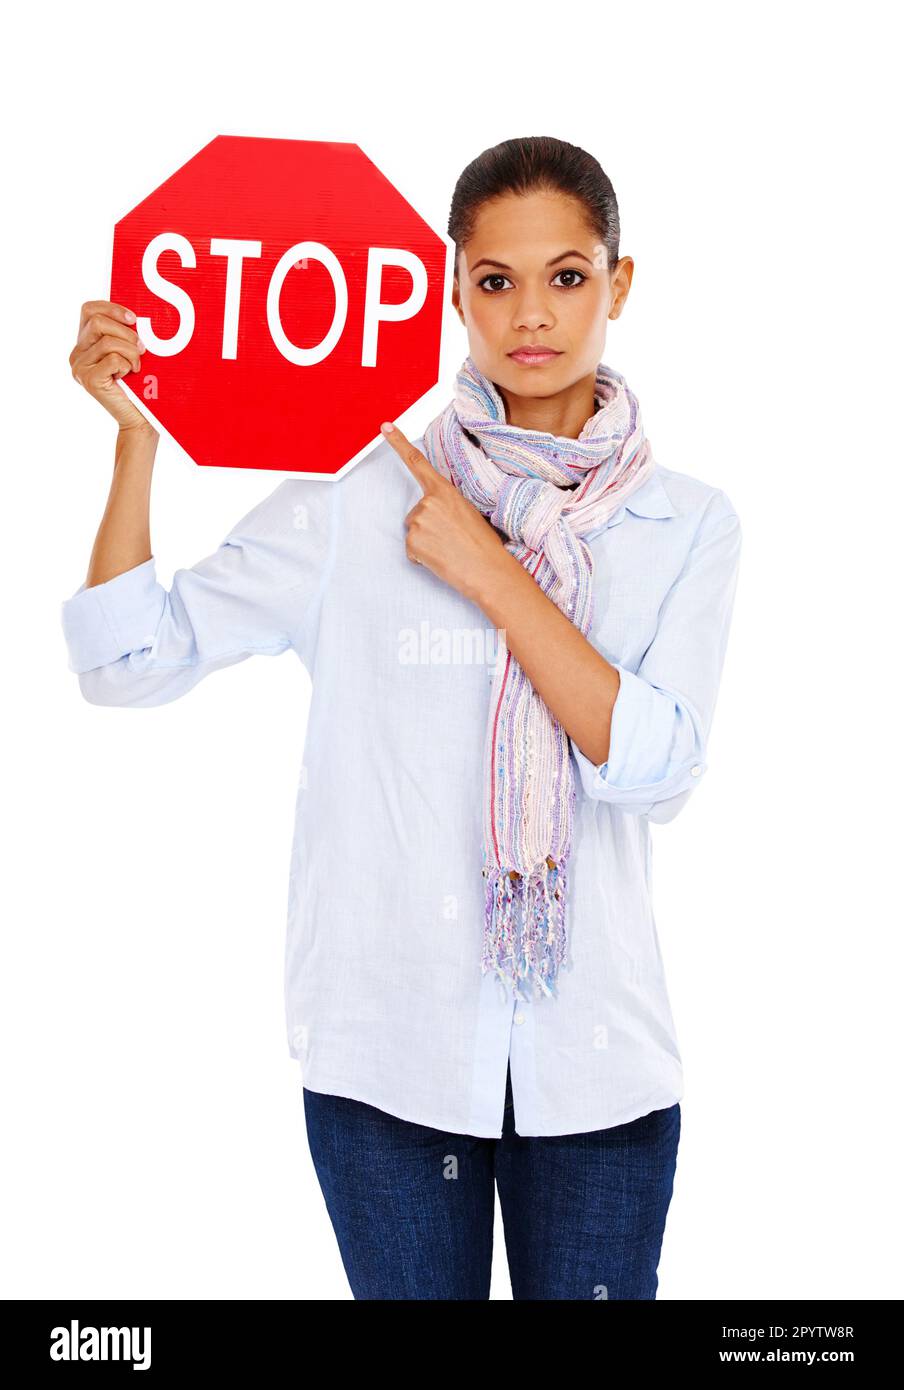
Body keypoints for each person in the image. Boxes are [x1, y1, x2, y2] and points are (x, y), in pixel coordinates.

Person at [61, 135, 742, 1300]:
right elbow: (131, 659)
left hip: (597, 1069)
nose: (532, 314)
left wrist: (491, 574)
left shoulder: (685, 525)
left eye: (567, 275)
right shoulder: (357, 499)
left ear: (619, 284)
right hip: (389, 1058)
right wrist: (137, 444)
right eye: (495, 279)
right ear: (451, 287)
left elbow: (656, 768)